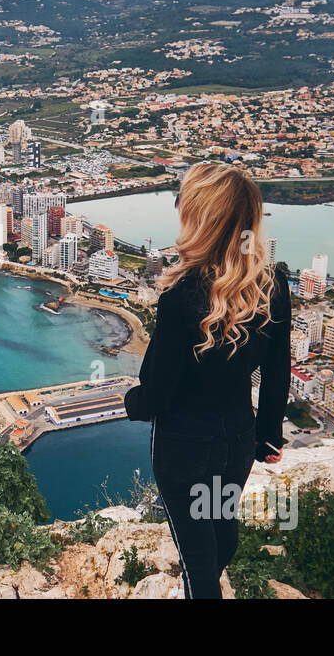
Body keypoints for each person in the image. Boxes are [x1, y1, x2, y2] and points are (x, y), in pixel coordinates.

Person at [123, 163, 291, 599]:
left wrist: (130, 402)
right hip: (238, 439)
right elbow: (277, 370)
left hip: (184, 447)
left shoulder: (181, 296)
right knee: (221, 534)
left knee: (198, 566)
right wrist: (269, 435)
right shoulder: (272, 285)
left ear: (200, 219)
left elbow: (157, 392)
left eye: (183, 203)